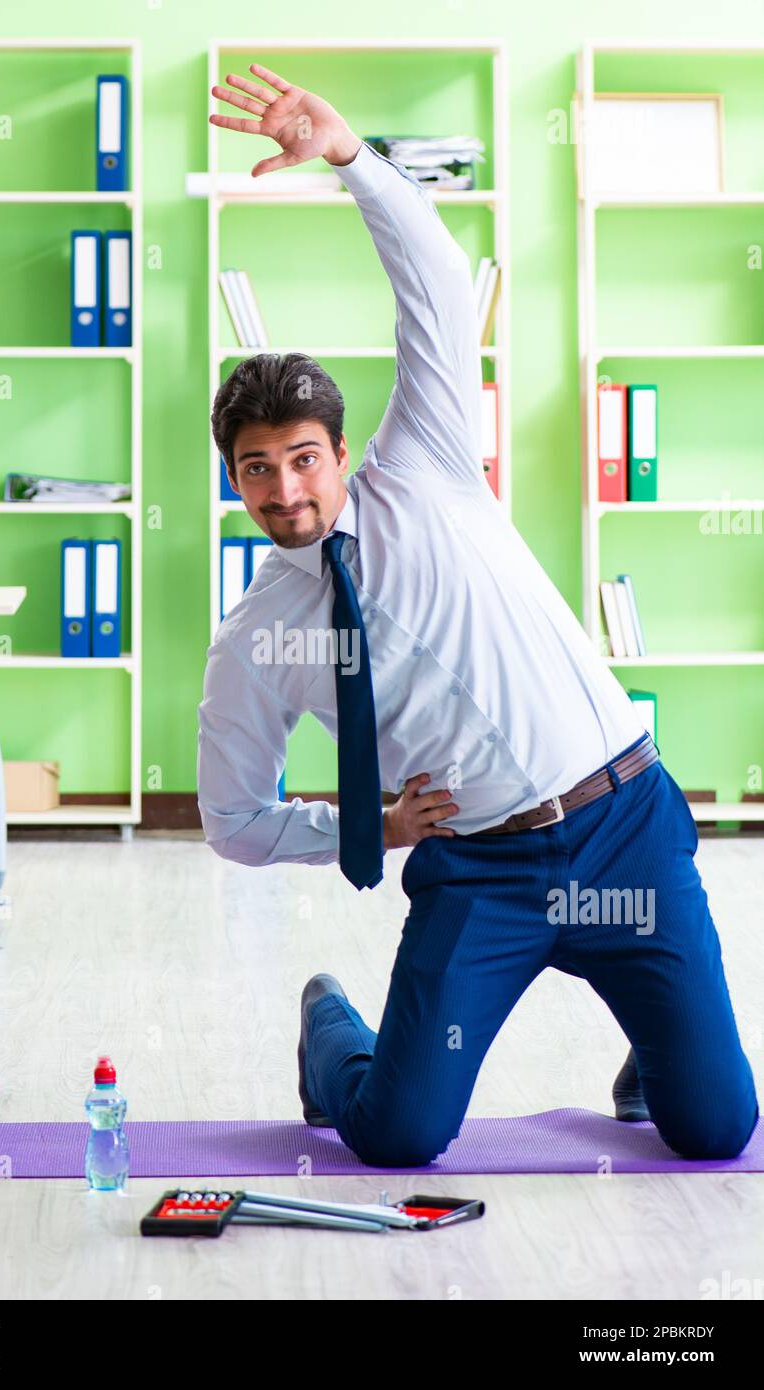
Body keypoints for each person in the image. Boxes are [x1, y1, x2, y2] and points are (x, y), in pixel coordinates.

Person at [197, 62, 759, 1167]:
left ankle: (664, 1039)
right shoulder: (258, 633)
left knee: (715, 1127)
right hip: (484, 875)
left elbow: (440, 288)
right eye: (256, 470)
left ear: (344, 453)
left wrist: (353, 159)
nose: (286, 491)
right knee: (398, 1136)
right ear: (233, 479)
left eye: (303, 459)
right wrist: (365, 831)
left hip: (622, 833)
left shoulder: (434, 463)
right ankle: (331, 1035)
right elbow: (231, 815)